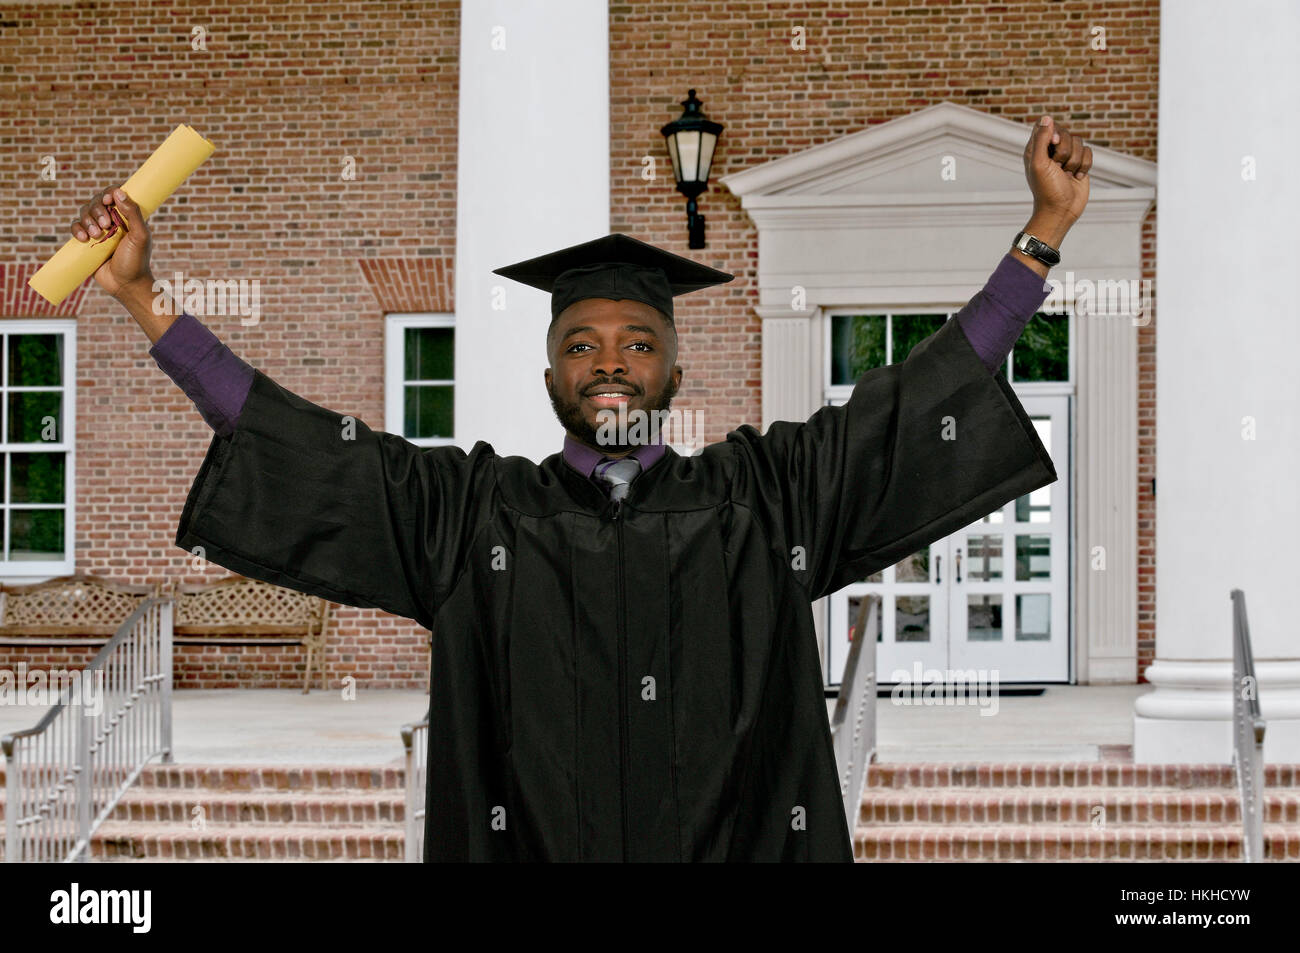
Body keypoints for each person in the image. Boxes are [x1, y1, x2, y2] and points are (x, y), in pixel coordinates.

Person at [74, 115, 1092, 862]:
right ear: (550, 374)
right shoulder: (471, 516)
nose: (611, 361)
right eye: (583, 344)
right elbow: (302, 443)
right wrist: (142, 296)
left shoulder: (764, 501)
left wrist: (1041, 233)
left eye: (638, 342)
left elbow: (912, 405)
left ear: (675, 373)